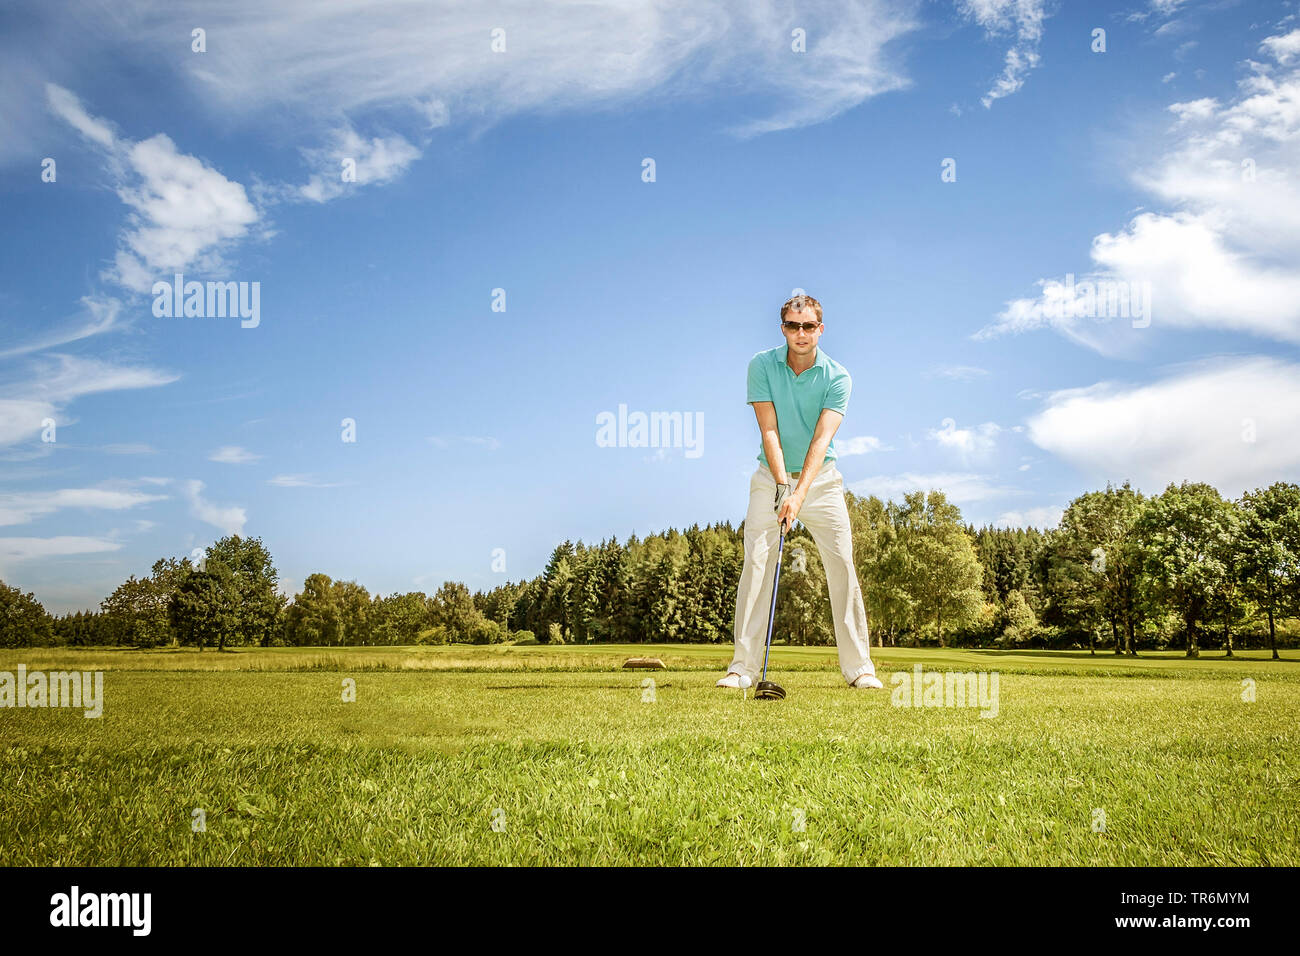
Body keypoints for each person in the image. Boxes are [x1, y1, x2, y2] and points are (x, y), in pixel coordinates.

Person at [717, 294, 883, 691]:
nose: (801, 333)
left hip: (821, 481)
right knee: (756, 565)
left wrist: (798, 493)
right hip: (769, 476)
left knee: (842, 563)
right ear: (783, 330)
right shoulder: (761, 365)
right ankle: (742, 669)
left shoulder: (838, 377)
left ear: (820, 329)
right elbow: (768, 430)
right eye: (793, 326)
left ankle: (860, 669)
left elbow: (821, 441)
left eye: (808, 326)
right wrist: (781, 487)